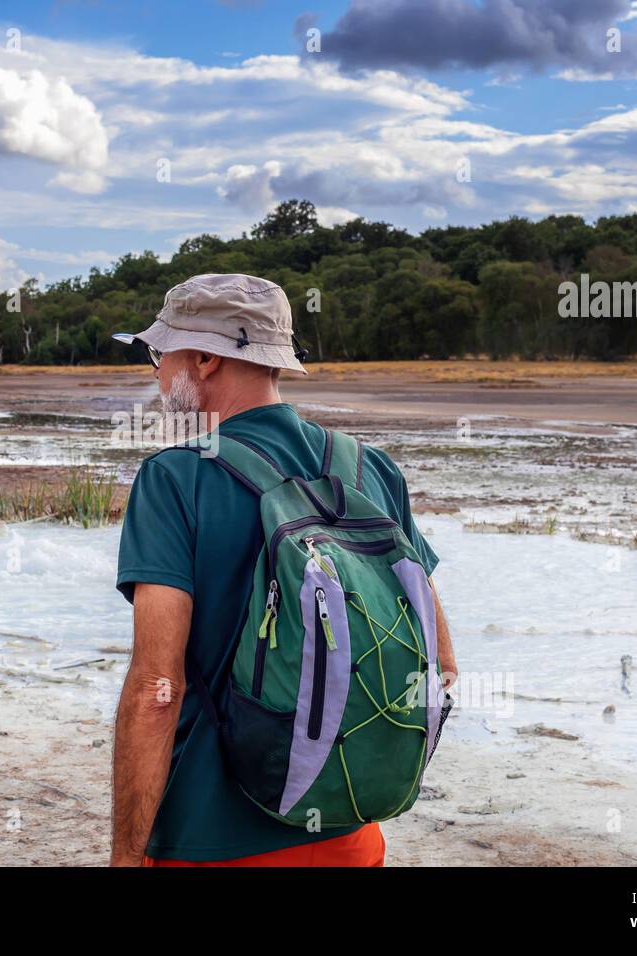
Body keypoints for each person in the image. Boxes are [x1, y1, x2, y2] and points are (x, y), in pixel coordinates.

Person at [109, 273, 457, 867]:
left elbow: (155, 693)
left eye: (158, 353)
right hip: (350, 834)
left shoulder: (173, 479)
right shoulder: (369, 468)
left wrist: (125, 855)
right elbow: (441, 665)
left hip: (211, 841)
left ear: (203, 359)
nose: (157, 372)